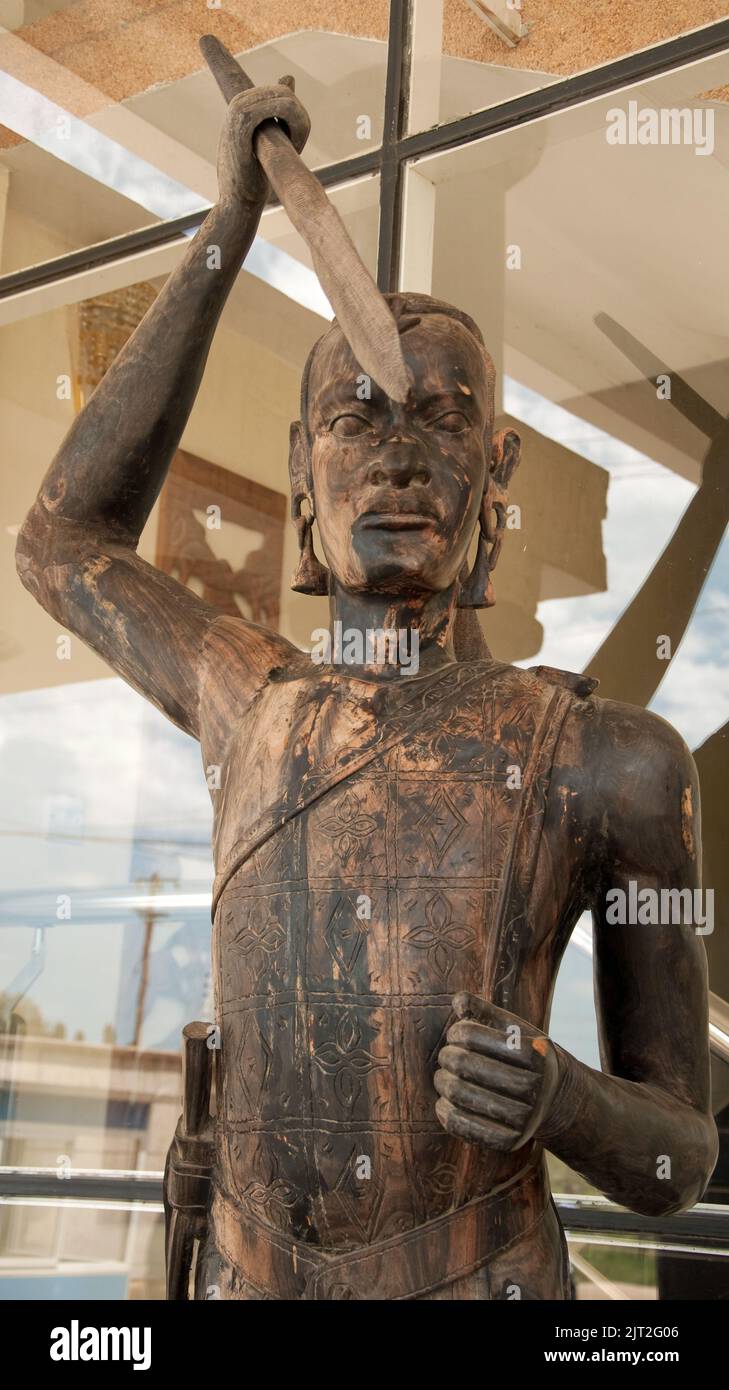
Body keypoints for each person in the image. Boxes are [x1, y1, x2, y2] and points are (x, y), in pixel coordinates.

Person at [17, 77, 717, 1301]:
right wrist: (226, 222)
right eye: (355, 417)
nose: (397, 451)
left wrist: (560, 1094)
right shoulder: (246, 696)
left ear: (494, 472)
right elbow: (62, 539)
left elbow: (679, 1154)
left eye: (440, 419)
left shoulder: (612, 764)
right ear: (302, 474)